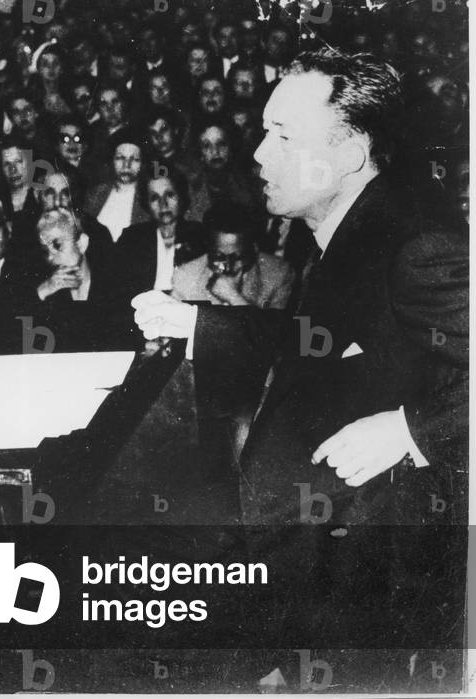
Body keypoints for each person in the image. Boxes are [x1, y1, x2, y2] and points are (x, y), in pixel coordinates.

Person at [132, 50, 467, 637]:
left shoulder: (419, 244)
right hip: (325, 543)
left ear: (349, 156)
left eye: (283, 138)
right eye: (264, 132)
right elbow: (323, 344)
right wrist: (198, 324)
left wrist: (410, 429)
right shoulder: (355, 222)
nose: (258, 154)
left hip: (380, 573)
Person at [171, 202, 294, 309]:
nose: (229, 268)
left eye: (238, 257)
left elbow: (274, 334)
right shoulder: (184, 278)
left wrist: (233, 297)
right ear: (208, 249)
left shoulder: (279, 275)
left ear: (254, 249)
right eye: (219, 257)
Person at [112, 167, 206, 297]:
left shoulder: (199, 235)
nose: (163, 204)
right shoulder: (132, 237)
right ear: (147, 204)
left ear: (181, 197)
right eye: (155, 198)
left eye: (170, 195)